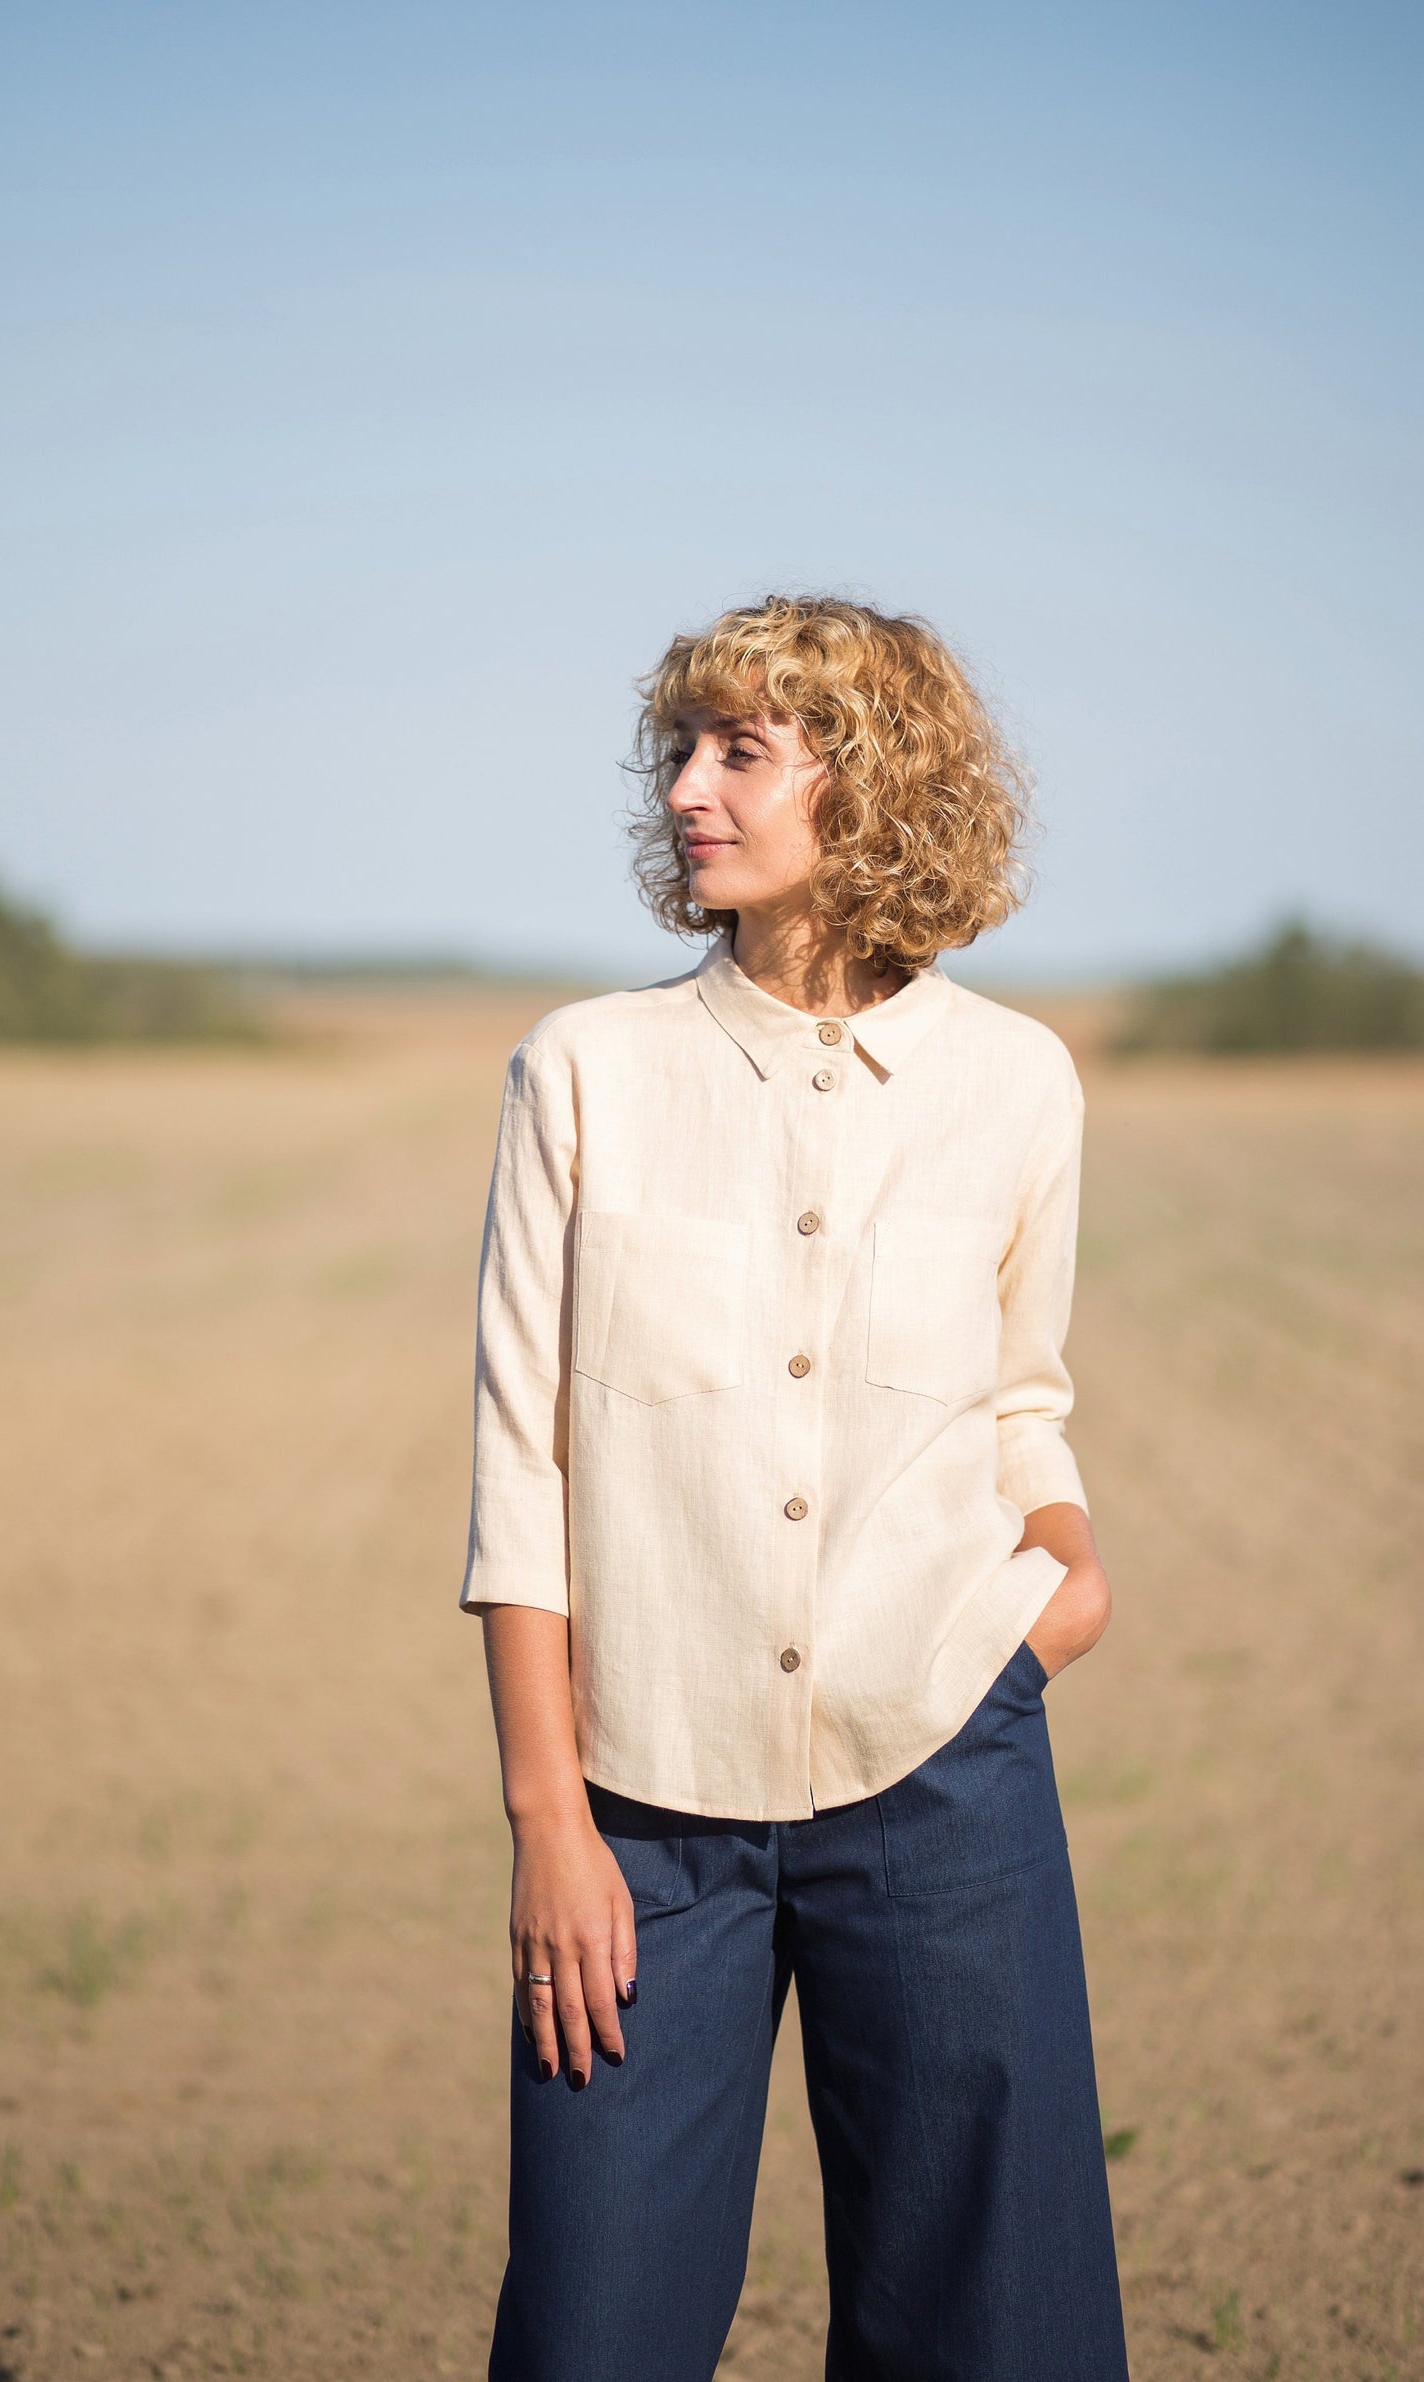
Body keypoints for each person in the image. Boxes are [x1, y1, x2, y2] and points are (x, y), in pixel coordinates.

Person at [460, 595, 1128, 2381]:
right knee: (593, 2331)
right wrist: (549, 1821)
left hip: (944, 1776)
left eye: (740, 750)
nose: (687, 788)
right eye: (679, 748)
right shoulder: (586, 1070)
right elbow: (523, 1463)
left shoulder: (1017, 1084)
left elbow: (1024, 1393)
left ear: (874, 781)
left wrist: (1062, 1585)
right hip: (638, 1817)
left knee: (997, 2334)